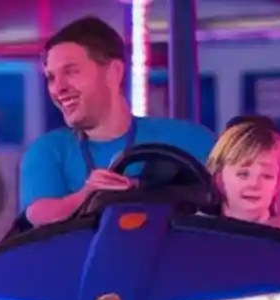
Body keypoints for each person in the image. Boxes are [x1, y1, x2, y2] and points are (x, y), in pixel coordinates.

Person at [19, 16, 216, 226]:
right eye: (51, 78)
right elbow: (41, 217)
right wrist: (90, 195)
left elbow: (234, 201)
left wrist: (151, 190)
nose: (58, 88)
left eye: (71, 72)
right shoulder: (48, 151)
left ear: (113, 73)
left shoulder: (190, 139)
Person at [206, 118, 280, 234]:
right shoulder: (199, 234)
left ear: (279, 185)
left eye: (267, 176)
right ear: (219, 180)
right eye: (243, 174)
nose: (255, 184)